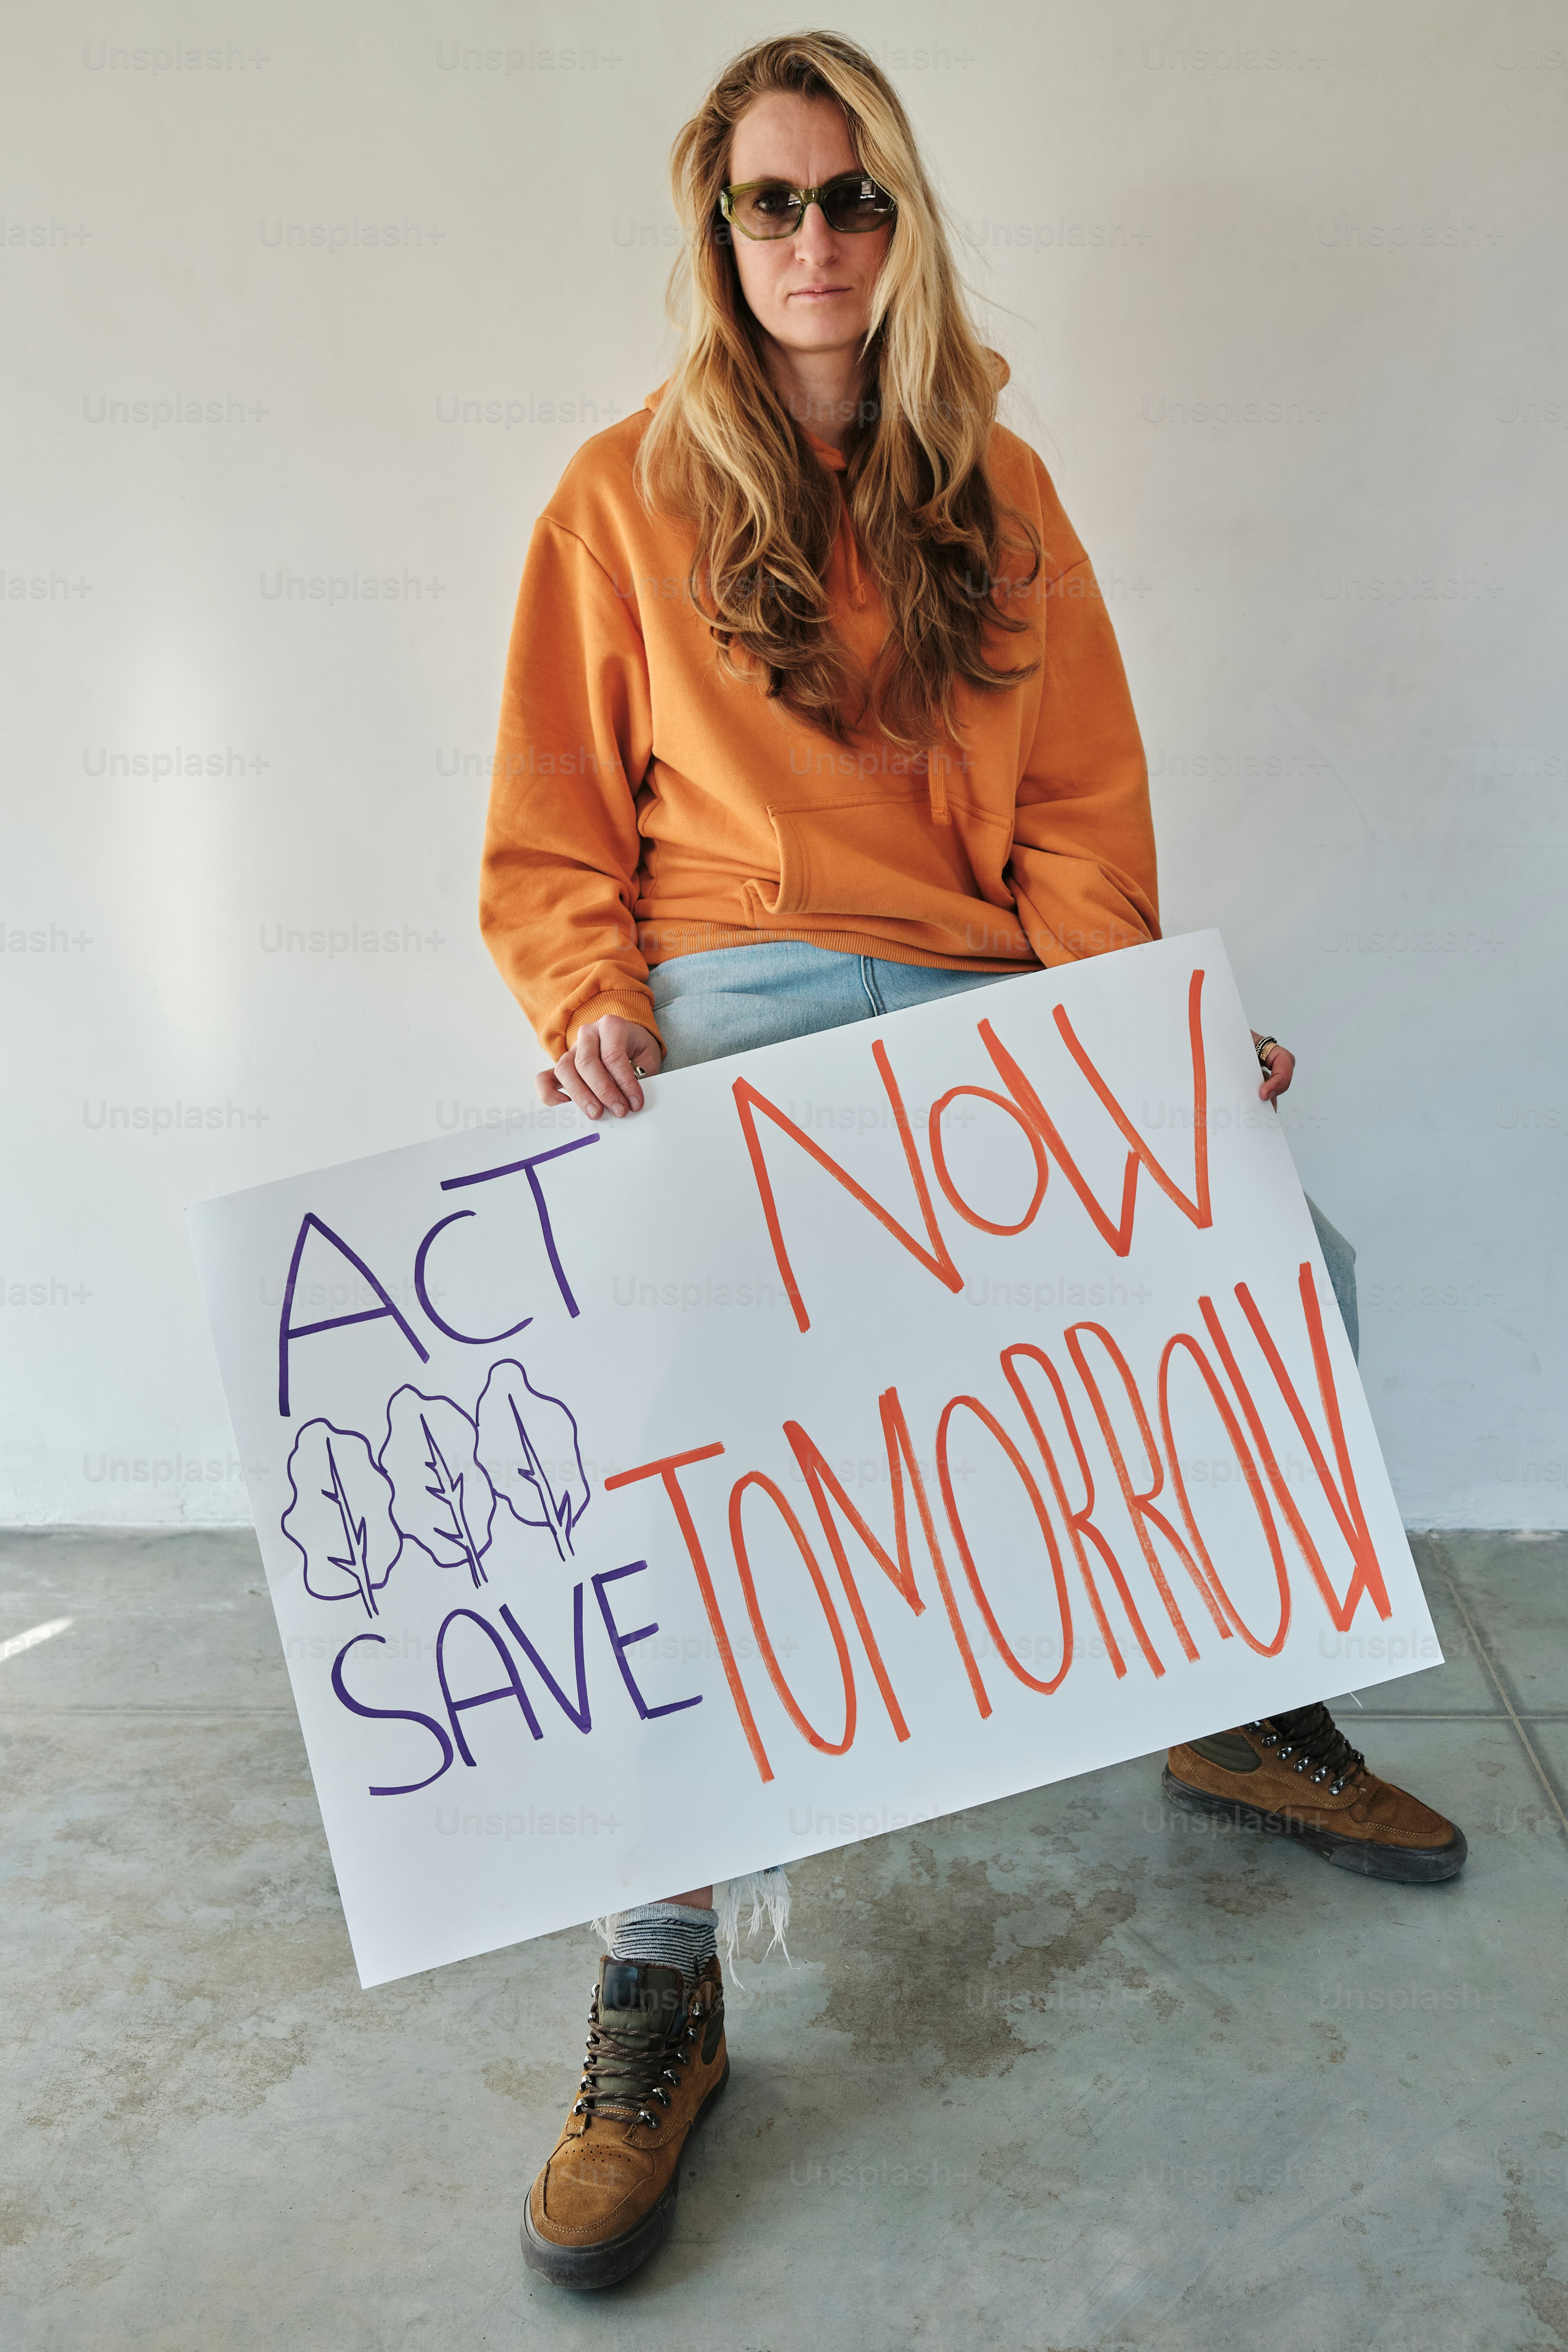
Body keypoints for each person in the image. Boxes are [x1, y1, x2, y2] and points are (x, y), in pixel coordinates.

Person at [479, 31, 1466, 2291]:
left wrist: (1138, 1056)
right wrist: (587, 997)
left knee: (1281, 1272)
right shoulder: (617, 492)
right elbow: (548, 823)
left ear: (901, 228)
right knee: (668, 1436)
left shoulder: (1000, 493)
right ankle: (661, 1964)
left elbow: (1080, 828)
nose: (813, 242)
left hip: (975, 1010)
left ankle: (1226, 1710)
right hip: (725, 1004)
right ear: (713, 236)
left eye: (852, 202)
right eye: (769, 205)